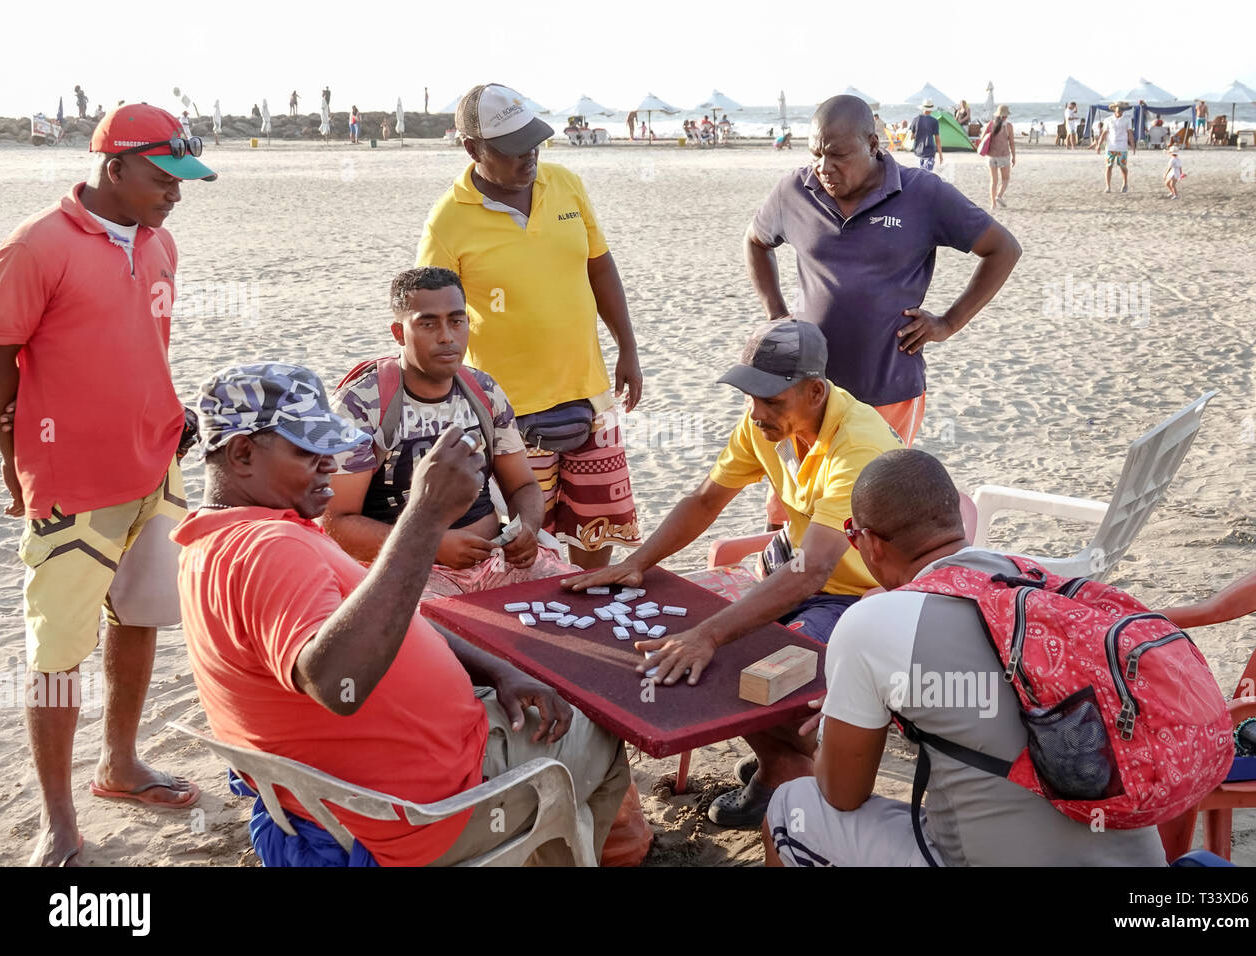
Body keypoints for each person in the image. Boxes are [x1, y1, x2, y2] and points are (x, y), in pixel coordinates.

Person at [177, 363, 630, 866]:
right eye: (309, 450)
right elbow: (336, 681)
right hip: (423, 814)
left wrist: (497, 669)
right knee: (602, 724)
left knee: (545, 697)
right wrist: (425, 515)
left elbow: (380, 618)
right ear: (242, 453)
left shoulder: (217, 538)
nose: (331, 463)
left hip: (348, 794)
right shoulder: (269, 547)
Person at [564, 321, 902, 828]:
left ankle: (784, 767)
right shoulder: (764, 424)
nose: (757, 412)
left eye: (772, 401)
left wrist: (709, 634)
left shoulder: (858, 444)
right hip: (788, 565)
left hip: (860, 594)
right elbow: (704, 501)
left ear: (815, 391)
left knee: (750, 668)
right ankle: (784, 755)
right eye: (750, 396)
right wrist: (636, 562)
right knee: (674, 630)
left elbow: (814, 573)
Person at [762, 449, 1168, 866]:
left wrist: (839, 717)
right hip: (1136, 859)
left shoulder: (869, 623)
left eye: (853, 536)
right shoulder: (1033, 580)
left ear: (871, 544)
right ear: (955, 517)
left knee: (791, 807)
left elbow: (842, 794)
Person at [0, 104, 217, 866]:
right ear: (112, 168)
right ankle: (61, 827)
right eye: (164, 179)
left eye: (184, 180)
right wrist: (11, 463)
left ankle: (119, 765)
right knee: (57, 654)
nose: (176, 195)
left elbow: (138, 342)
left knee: (139, 617)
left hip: (156, 467)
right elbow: (2, 357)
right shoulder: (36, 247)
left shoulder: (161, 245)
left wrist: (169, 409)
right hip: (72, 486)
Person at [415, 84, 643, 571]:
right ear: (472, 149)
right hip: (505, 412)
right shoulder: (447, 222)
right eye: (513, 149)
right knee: (519, 541)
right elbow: (431, 317)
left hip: (589, 394)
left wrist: (628, 347)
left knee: (593, 529)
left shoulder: (565, 185)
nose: (530, 157)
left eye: (534, 142)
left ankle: (591, 613)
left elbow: (600, 267)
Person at [744, 93, 1020, 462]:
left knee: (870, 504)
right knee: (797, 503)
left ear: (872, 144)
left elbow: (1003, 249)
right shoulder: (794, 191)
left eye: (838, 155)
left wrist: (950, 322)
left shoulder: (923, 193)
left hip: (887, 389)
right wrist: (777, 315)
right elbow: (756, 241)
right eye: (816, 154)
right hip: (806, 393)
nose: (824, 167)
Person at [325, 266, 576, 600]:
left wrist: (527, 528)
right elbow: (337, 522)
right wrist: (431, 544)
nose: (447, 336)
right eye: (428, 324)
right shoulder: (362, 405)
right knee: (439, 639)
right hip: (404, 569)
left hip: (496, 560)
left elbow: (524, 485)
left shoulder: (484, 391)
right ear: (399, 333)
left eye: (457, 321)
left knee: (580, 600)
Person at [1095, 101, 1134, 193]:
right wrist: (1098, 145)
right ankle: (1108, 186)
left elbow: (1130, 133)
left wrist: (1133, 145)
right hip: (1110, 146)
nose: (1119, 110)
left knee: (1122, 166)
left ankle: (1125, 183)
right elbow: (1104, 133)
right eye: (1118, 108)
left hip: (1122, 147)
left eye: (1121, 108)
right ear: (1114, 109)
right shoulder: (1108, 120)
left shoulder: (1127, 119)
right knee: (1108, 166)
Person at [981, 104, 1015, 208]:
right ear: (1006, 115)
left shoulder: (990, 124)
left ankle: (993, 204)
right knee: (1005, 179)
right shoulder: (1009, 126)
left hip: (991, 156)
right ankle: (999, 196)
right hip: (1004, 156)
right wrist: (1014, 156)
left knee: (993, 180)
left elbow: (982, 138)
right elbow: (1012, 143)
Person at [910, 98, 943, 172]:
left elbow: (911, 137)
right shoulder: (934, 121)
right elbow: (937, 140)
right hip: (930, 152)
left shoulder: (915, 120)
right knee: (927, 175)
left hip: (918, 152)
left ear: (922, 108)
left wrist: (918, 133)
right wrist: (940, 155)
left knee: (919, 175)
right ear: (931, 109)